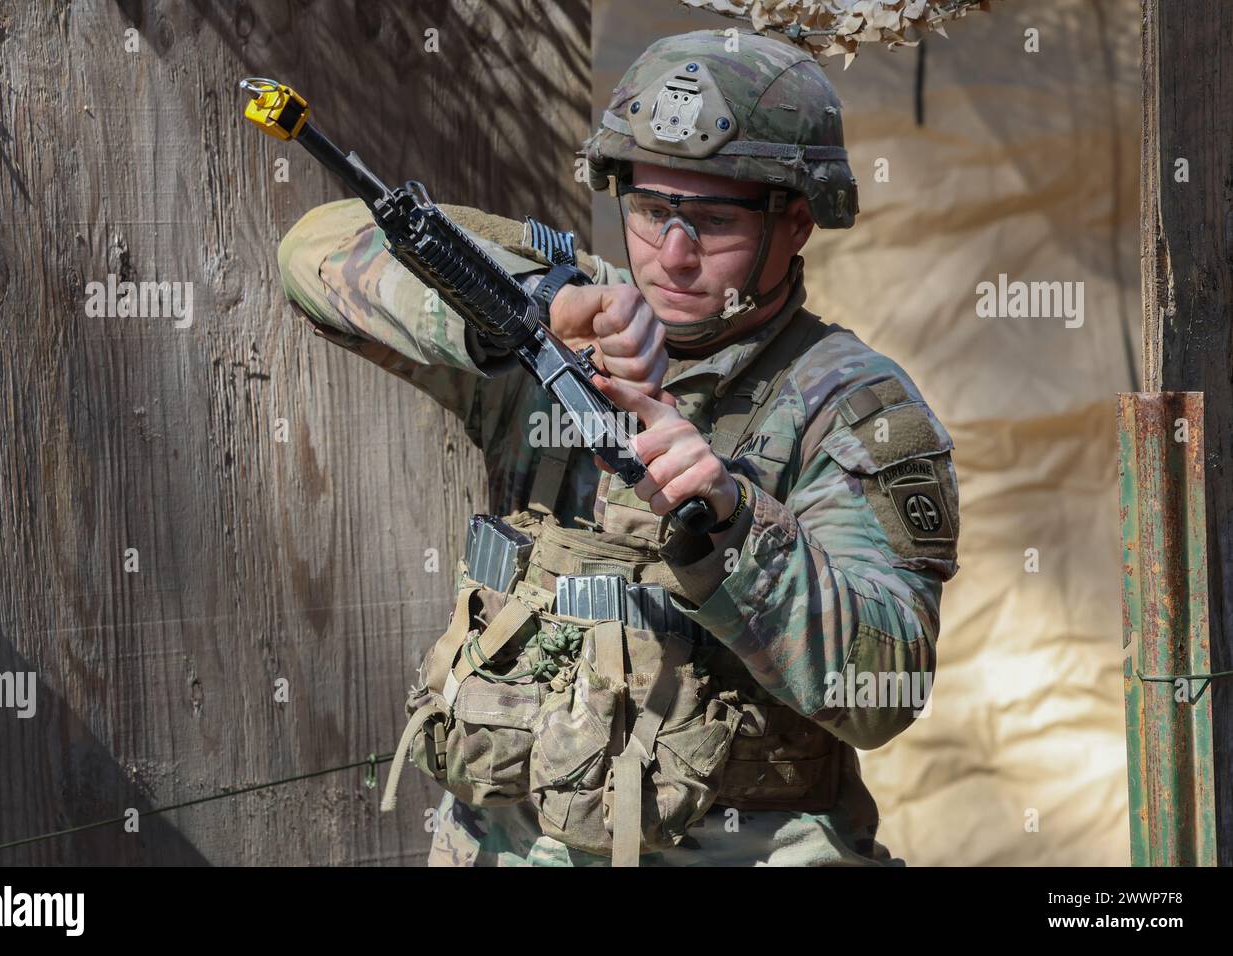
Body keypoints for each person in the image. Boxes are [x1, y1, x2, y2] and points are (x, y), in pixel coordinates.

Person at [278, 29, 959, 866]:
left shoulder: (850, 407)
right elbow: (315, 249)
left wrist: (733, 525)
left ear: (797, 220)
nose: (671, 254)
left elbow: (884, 688)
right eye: (649, 211)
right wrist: (531, 307)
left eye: (713, 220)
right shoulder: (555, 324)